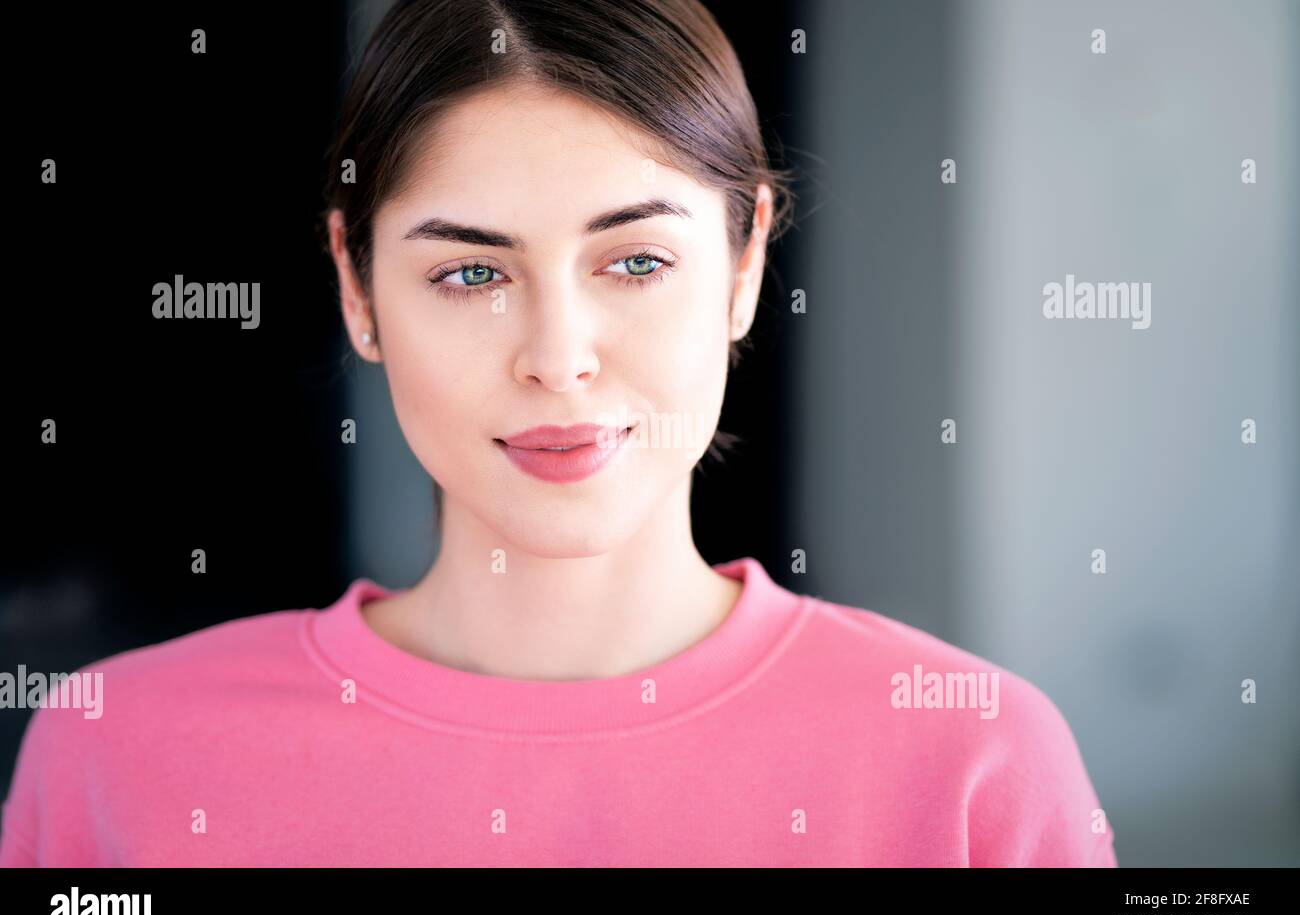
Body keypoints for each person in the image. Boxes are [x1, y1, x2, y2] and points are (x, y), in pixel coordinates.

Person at [0, 0, 1117, 867]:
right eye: (472, 272)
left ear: (743, 266)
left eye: (635, 261)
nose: (558, 354)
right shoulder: (118, 754)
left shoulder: (973, 759)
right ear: (357, 288)